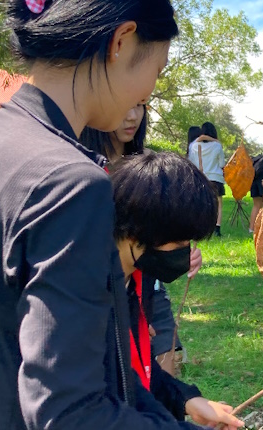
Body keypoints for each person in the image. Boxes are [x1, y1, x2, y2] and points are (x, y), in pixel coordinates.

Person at [0, 0, 201, 428]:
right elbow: (69, 412)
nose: (148, 93)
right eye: (156, 71)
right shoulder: (69, 181)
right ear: (122, 42)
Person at [109, 152, 244, 429]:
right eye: (179, 242)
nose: (185, 253)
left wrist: (186, 399)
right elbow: (101, 402)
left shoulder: (136, 279)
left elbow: (135, 374)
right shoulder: (86, 299)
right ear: (136, 232)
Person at [81, 104, 188, 377]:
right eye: (124, 104)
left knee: (162, 376)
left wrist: (176, 249)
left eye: (140, 105)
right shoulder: (82, 171)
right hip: (103, 294)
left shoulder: (148, 163)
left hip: (149, 286)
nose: (132, 116)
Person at [188, 121, 225, 236]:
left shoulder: (193, 146)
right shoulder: (217, 146)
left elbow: (191, 162)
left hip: (200, 177)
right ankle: (217, 229)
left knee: (201, 203)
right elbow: (222, 164)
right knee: (218, 204)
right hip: (215, 177)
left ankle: (201, 226)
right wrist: (215, 141)